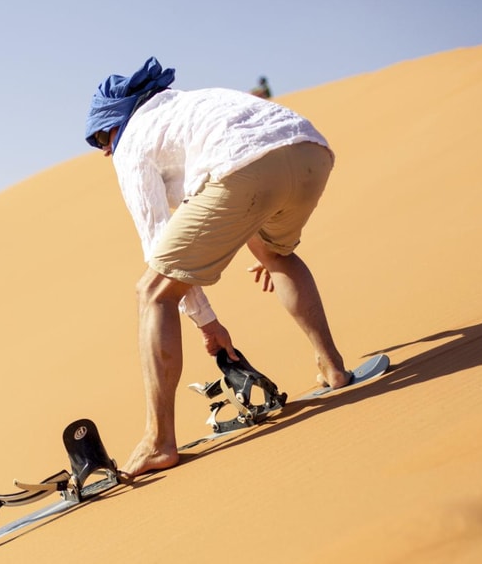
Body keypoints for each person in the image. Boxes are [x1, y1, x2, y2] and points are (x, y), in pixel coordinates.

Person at [84, 57, 351, 477]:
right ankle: (333, 367)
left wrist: (207, 324)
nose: (102, 149)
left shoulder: (132, 142)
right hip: (310, 150)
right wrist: (259, 241)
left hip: (244, 166)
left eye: (101, 136)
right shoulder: (189, 104)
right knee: (276, 255)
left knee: (151, 292)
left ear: (116, 122)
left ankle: (159, 442)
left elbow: (158, 246)